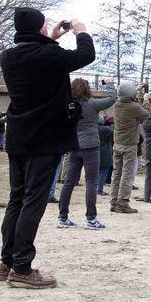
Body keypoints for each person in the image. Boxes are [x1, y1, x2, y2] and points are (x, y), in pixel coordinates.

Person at [0, 7, 95, 289]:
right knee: (33, 201)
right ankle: (22, 269)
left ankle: (7, 262)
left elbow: (39, 58)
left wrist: (52, 37)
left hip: (18, 137)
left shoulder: (9, 55)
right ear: (39, 28)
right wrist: (81, 31)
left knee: (17, 199)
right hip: (44, 139)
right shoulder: (48, 55)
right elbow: (85, 55)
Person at [56, 78, 116, 230]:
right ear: (86, 90)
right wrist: (109, 84)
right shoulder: (92, 104)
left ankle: (62, 217)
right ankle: (91, 219)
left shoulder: (68, 106)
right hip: (90, 147)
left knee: (69, 182)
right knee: (91, 182)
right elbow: (111, 98)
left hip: (74, 146)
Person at [108, 81, 150, 214]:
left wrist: (135, 90)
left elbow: (128, 100)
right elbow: (145, 114)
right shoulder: (134, 108)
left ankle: (114, 202)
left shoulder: (117, 105)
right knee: (127, 175)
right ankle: (123, 203)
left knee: (116, 174)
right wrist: (146, 100)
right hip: (129, 146)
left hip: (117, 145)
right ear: (131, 95)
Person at [96, 118, 113, 195]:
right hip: (105, 153)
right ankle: (99, 190)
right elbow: (113, 130)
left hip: (94, 151)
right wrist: (112, 123)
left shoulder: (92, 128)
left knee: (94, 172)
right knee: (103, 172)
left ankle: (94, 189)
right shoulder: (106, 130)